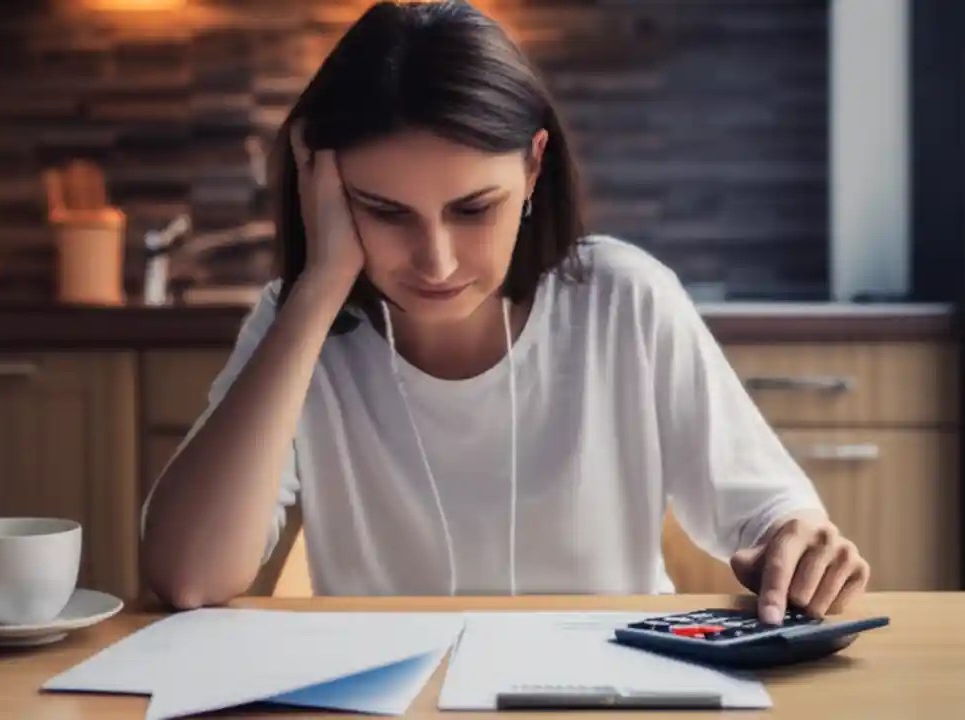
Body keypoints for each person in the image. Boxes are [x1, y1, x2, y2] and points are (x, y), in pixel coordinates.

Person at [140, 0, 869, 624]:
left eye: (472, 209)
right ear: (326, 194)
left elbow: (773, 515)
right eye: (384, 211)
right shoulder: (301, 325)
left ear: (532, 165)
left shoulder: (623, 299)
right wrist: (321, 283)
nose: (436, 262)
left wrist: (799, 541)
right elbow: (191, 577)